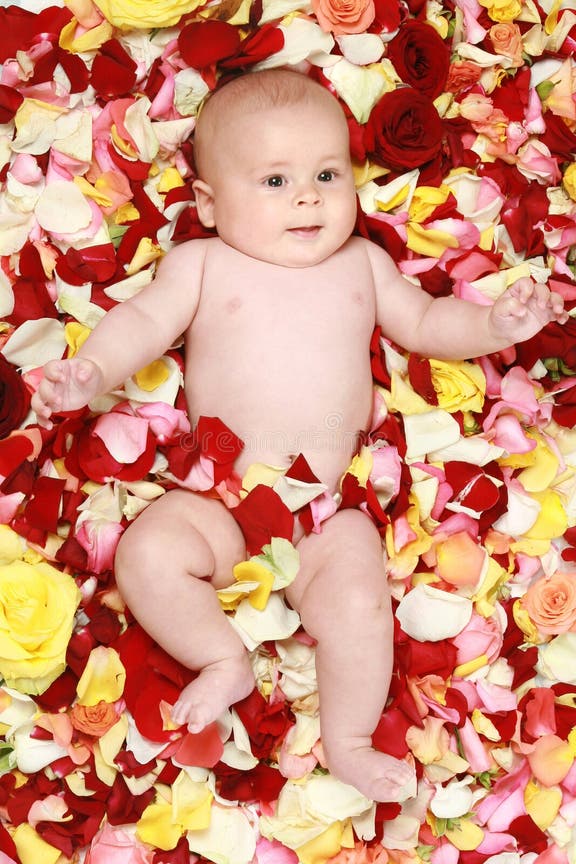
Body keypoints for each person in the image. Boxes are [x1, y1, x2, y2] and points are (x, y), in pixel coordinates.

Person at [31, 68, 567, 803]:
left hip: (323, 508)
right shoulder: (204, 265)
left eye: (325, 173)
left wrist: (493, 325)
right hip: (217, 498)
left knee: (358, 603)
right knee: (149, 553)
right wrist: (92, 370)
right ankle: (221, 659)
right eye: (275, 182)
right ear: (211, 206)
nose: (309, 196)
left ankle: (347, 739)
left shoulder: (363, 267)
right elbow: (145, 323)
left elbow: (428, 325)